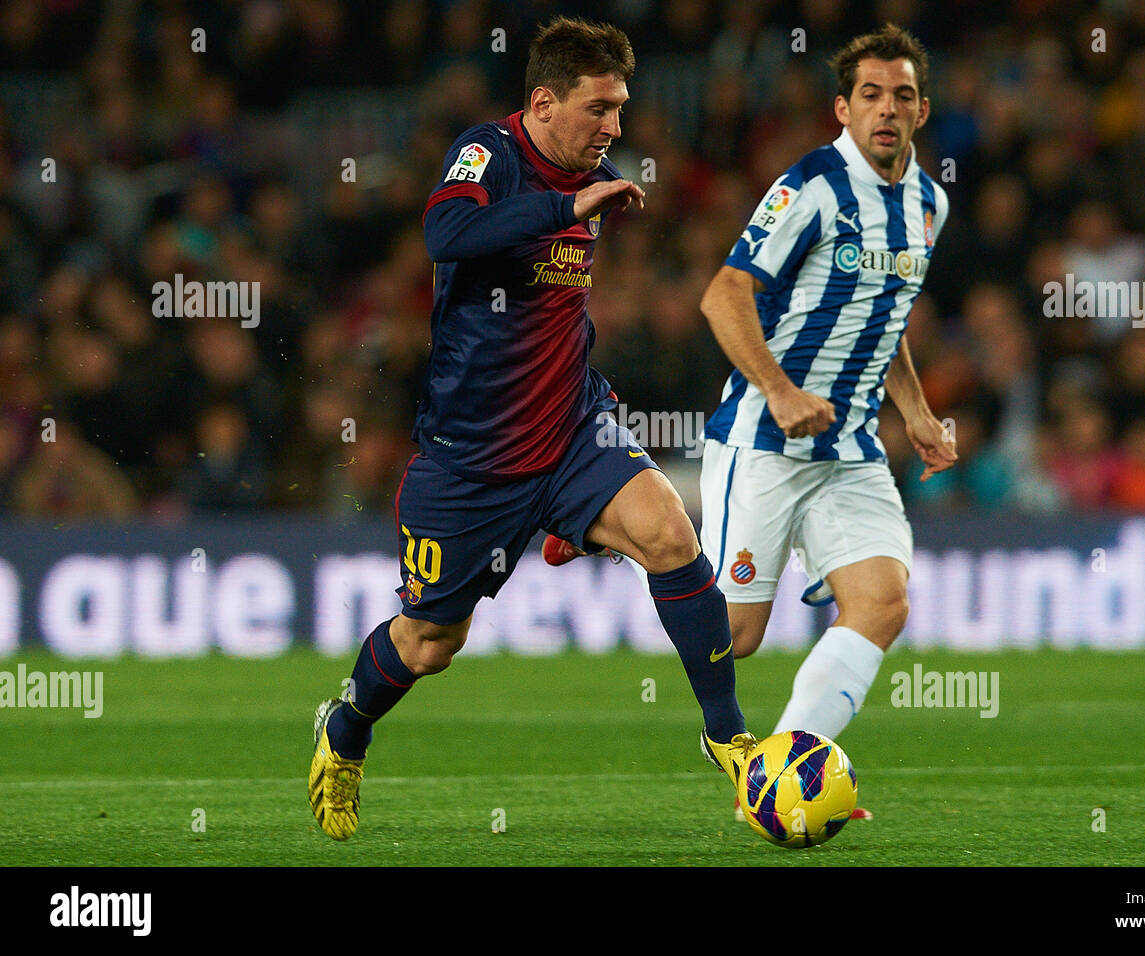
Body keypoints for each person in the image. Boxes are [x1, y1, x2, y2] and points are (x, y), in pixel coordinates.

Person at [309, 16, 754, 841]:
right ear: (544, 101)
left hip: (575, 427)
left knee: (667, 532)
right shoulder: (489, 154)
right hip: (473, 460)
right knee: (431, 641)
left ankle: (728, 737)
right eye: (600, 108)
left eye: (621, 108)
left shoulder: (597, 180)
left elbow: (555, 313)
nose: (615, 127)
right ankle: (346, 729)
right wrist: (562, 205)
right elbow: (444, 234)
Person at [698, 24, 956, 814]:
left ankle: (781, 778)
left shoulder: (929, 204)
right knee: (734, 638)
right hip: (764, 440)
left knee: (883, 602)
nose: (887, 110)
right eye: (870, 96)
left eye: (902, 96)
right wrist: (778, 389)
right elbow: (724, 294)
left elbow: (887, 315)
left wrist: (913, 408)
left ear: (920, 110)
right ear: (843, 108)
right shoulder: (812, 185)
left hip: (849, 450)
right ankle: (619, 532)